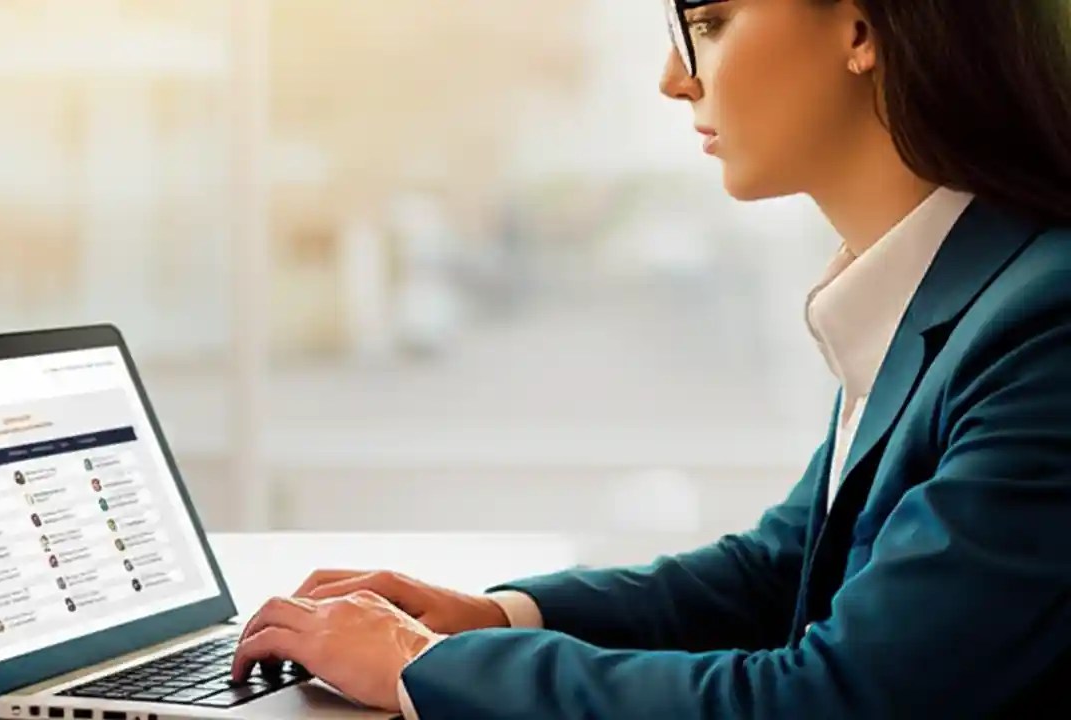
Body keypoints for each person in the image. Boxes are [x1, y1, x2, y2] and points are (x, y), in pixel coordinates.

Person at [230, 2, 1071, 717]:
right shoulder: (950, 291)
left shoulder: (1042, 326)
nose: (676, 76)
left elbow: (835, 698)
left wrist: (423, 669)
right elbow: (779, 574)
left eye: (706, 22)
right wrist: (493, 617)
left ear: (859, 27)